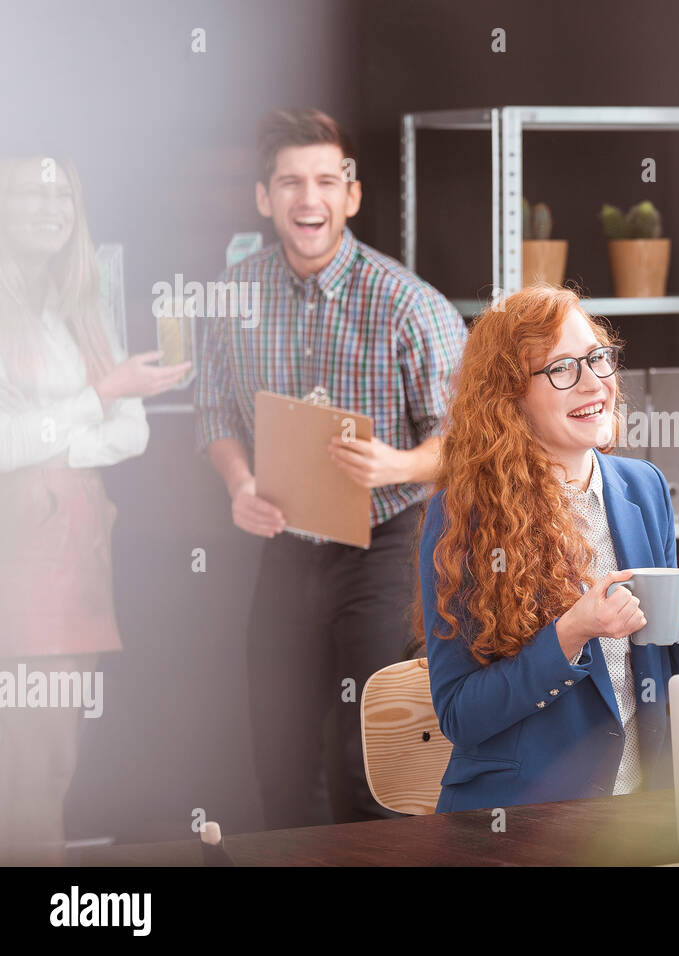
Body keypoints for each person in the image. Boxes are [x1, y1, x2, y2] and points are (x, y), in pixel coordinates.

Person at [194, 109, 468, 829]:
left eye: (325, 180)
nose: (307, 198)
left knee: (369, 755)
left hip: (385, 545)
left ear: (351, 194)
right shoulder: (233, 299)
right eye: (289, 182)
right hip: (286, 542)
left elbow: (467, 438)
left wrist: (398, 463)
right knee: (278, 755)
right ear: (264, 199)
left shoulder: (409, 305)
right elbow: (215, 410)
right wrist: (239, 484)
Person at [417, 286, 679, 812]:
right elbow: (459, 715)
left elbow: (657, 680)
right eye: (562, 368)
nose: (593, 384)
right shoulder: (463, 516)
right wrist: (571, 633)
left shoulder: (642, 485)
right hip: (522, 821)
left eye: (597, 358)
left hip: (640, 817)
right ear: (510, 396)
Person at [0, 156, 189, 862]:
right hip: (19, 560)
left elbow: (130, 433)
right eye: (29, 192)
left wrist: (57, 438)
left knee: (54, 763)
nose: (49, 206)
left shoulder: (79, 307)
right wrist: (96, 396)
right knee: (26, 767)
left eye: (62, 194)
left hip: (77, 557)